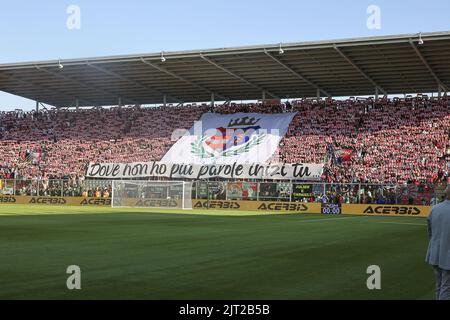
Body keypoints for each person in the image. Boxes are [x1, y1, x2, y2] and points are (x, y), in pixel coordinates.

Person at [426, 185, 450, 300]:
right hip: (447, 255)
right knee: (446, 288)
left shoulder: (435, 208)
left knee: (439, 286)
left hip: (434, 252)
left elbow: (429, 232)